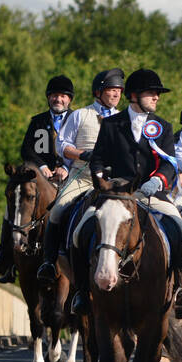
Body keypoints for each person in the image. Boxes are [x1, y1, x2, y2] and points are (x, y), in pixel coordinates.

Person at [88, 68, 182, 317]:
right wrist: (101, 181)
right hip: (117, 194)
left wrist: (158, 181)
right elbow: (97, 159)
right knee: (80, 230)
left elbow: (171, 164)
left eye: (157, 94)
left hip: (152, 194)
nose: (157, 98)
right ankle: (81, 292)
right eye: (152, 93)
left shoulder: (163, 126)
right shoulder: (111, 125)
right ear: (134, 95)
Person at [0, 75, 74, 282]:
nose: (57, 99)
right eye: (54, 95)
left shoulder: (78, 120)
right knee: (14, 203)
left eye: (62, 96)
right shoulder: (38, 121)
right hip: (40, 178)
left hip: (70, 177)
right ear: (48, 98)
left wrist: (66, 168)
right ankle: (4, 257)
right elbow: (27, 149)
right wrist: (42, 168)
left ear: (69, 99)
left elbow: (84, 149)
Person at [36, 69, 122, 291]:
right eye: (111, 90)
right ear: (98, 92)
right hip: (82, 177)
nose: (116, 95)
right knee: (57, 210)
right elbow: (62, 145)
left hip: (114, 182)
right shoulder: (80, 115)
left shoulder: (124, 119)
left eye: (118, 91)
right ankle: (48, 263)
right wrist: (83, 154)